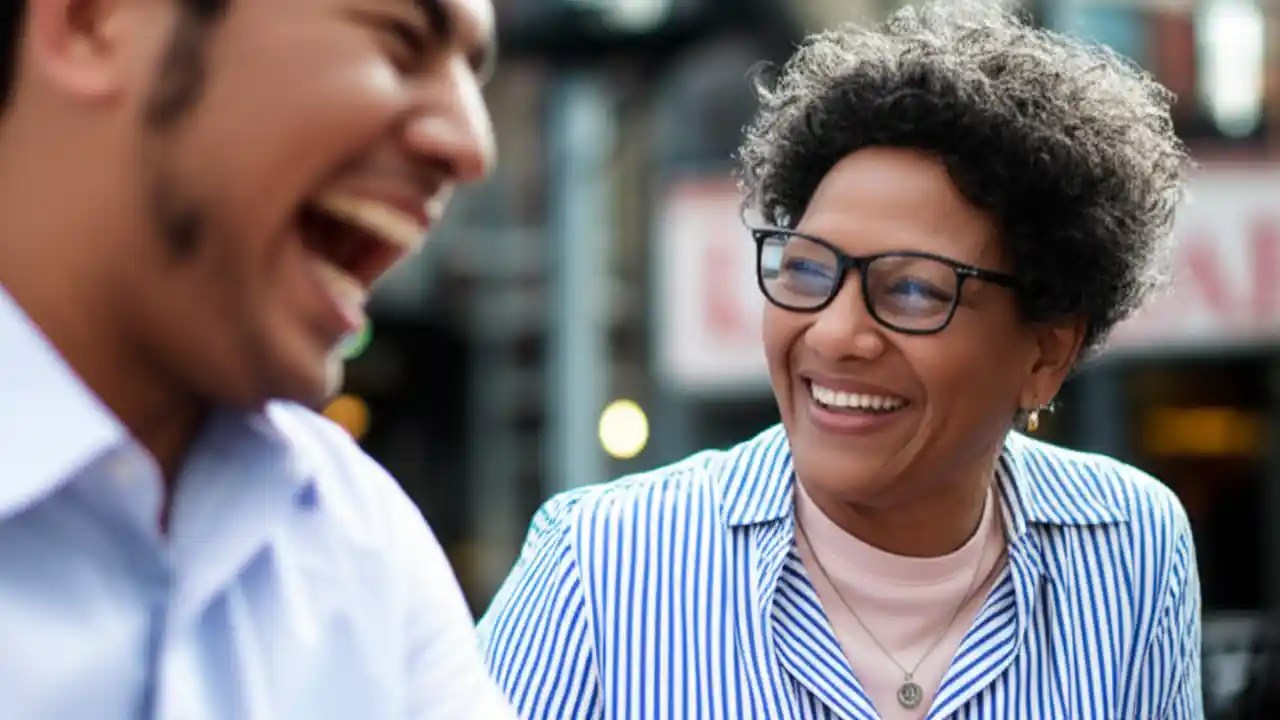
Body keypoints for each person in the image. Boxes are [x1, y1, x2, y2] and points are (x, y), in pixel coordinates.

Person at [478, 3, 1201, 718]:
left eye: (914, 290)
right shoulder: (602, 566)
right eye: (808, 271)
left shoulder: (1129, 545)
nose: (833, 334)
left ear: (1045, 354)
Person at [0, 0, 512, 717]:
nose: (470, 146)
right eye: (399, 43)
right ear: (94, 23)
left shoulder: (360, 548)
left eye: (470, 72)